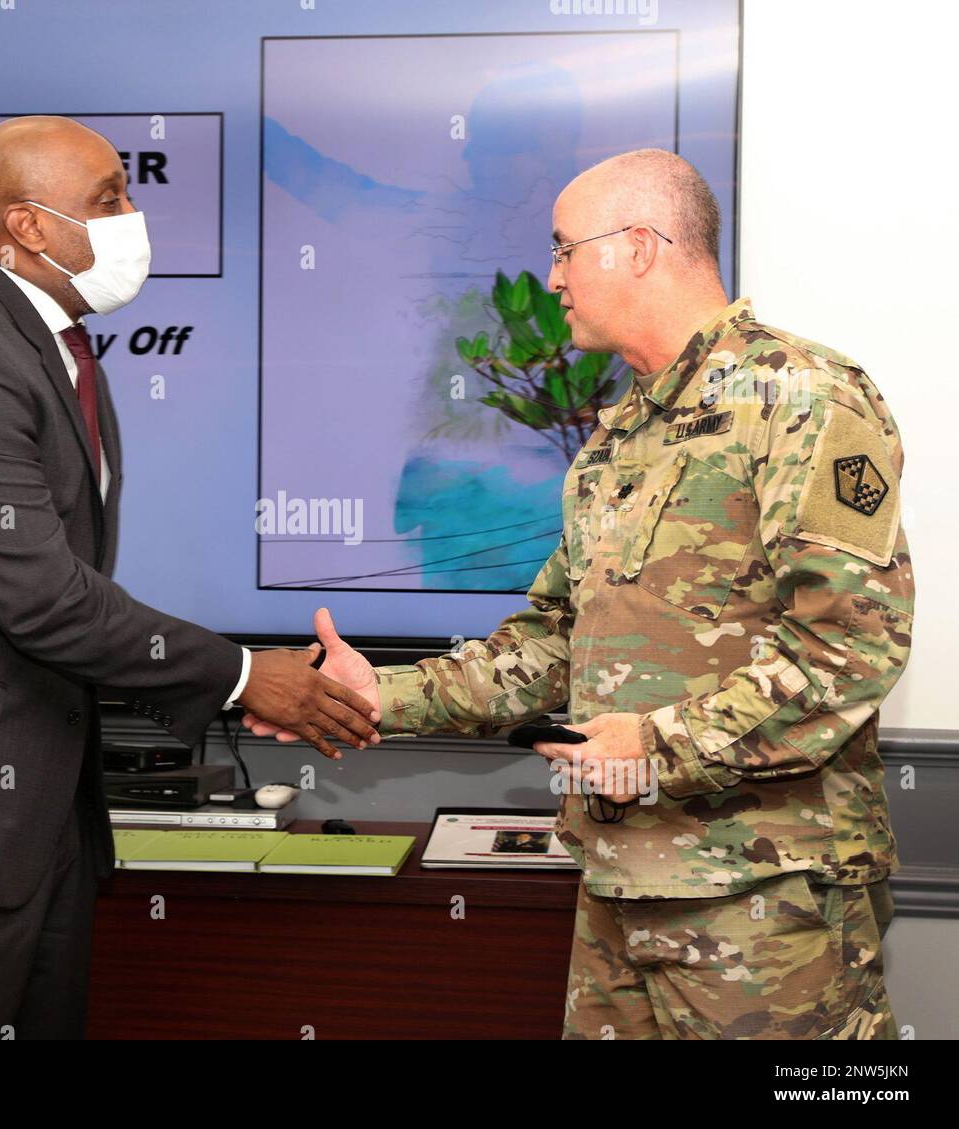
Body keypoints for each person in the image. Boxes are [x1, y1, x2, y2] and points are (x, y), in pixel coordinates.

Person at [245, 149, 913, 1040]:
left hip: (770, 903)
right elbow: (551, 642)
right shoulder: (615, 439)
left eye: (564, 251)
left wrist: (653, 745)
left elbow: (848, 648)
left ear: (640, 246)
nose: (551, 278)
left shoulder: (803, 396)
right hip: (617, 889)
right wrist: (382, 694)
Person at [0, 116, 380, 1039]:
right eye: (109, 199)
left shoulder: (51, 353)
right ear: (30, 228)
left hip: (30, 830)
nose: (134, 217)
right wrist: (248, 677)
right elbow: (45, 601)